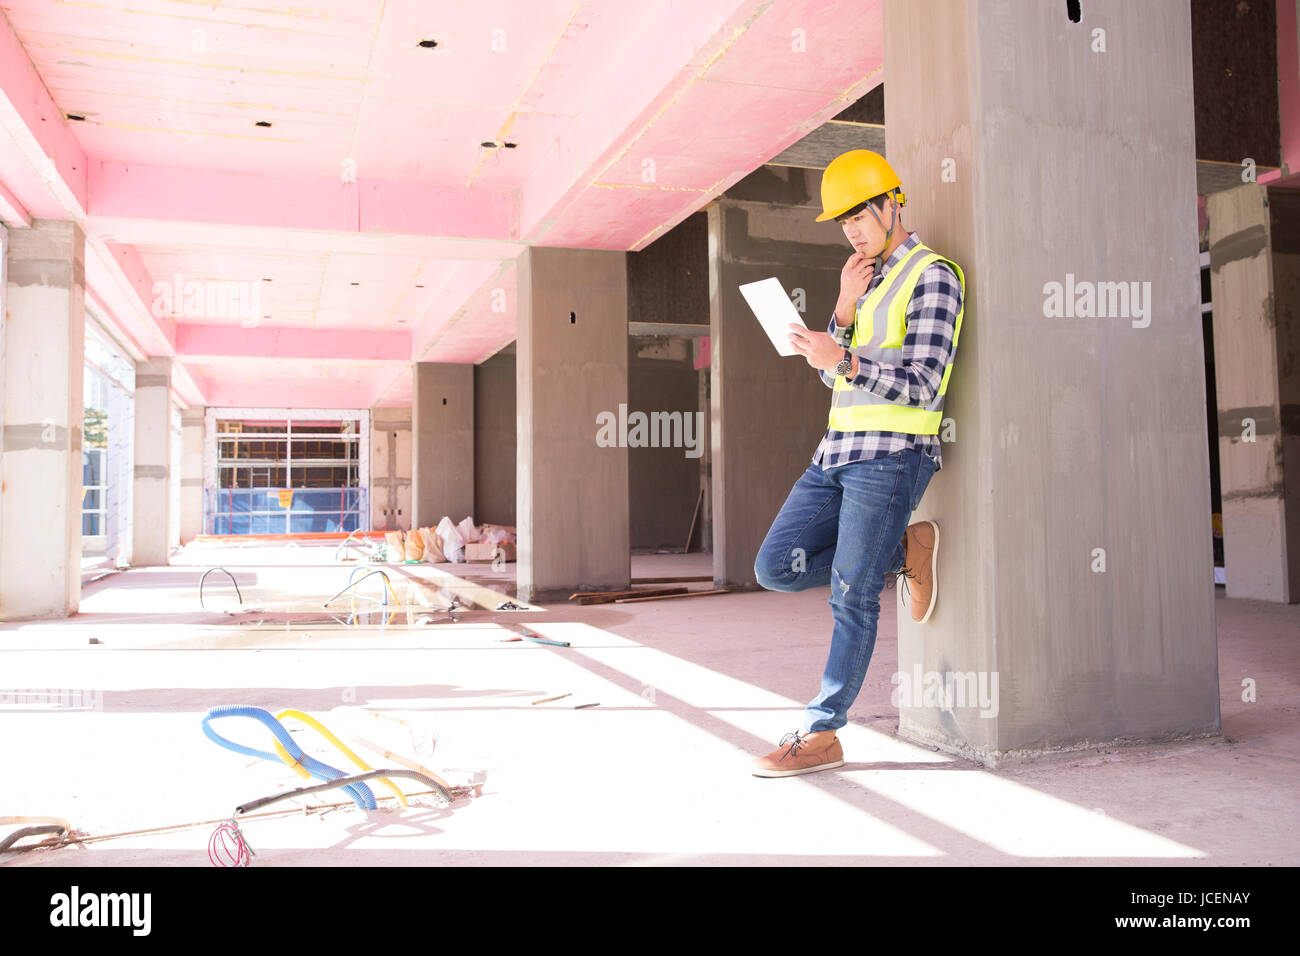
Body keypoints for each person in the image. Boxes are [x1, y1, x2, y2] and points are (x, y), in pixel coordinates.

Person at [750, 149, 966, 778]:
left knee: (851, 593)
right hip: (836, 453)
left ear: (892, 203)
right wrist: (842, 311)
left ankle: (822, 734)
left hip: (893, 457)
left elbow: (924, 382)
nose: (851, 229)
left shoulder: (934, 276)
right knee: (775, 567)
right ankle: (901, 553)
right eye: (842, 221)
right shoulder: (864, 280)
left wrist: (840, 357)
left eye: (858, 215)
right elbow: (839, 380)